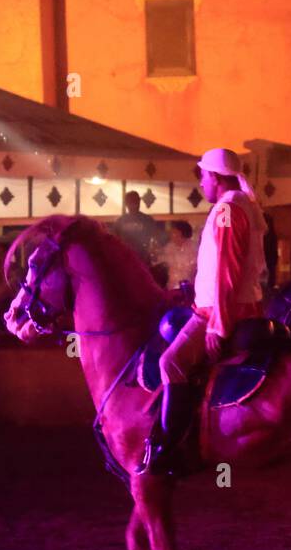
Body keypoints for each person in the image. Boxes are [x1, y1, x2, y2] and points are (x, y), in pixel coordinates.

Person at [138, 147, 267, 474]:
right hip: (219, 305)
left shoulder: (228, 210)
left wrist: (217, 325)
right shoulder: (240, 206)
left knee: (171, 363)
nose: (201, 184)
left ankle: (169, 448)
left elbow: (228, 269)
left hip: (220, 312)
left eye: (203, 176)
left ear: (217, 178)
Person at [114, 190, 161, 263]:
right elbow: (115, 240)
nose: (134, 204)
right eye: (131, 201)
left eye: (136, 201)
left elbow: (155, 239)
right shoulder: (120, 221)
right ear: (126, 203)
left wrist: (154, 251)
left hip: (143, 259)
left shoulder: (147, 219)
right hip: (125, 259)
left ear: (139, 202)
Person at [162, 219, 198, 289]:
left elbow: (191, 267)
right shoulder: (169, 247)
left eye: (174, 232)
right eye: (171, 232)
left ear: (182, 233)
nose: (171, 235)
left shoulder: (193, 247)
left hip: (189, 285)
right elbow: (163, 261)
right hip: (172, 286)